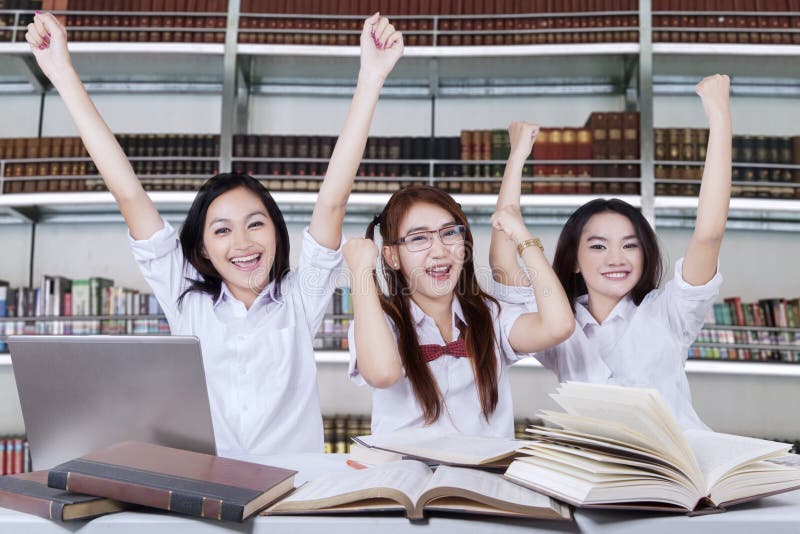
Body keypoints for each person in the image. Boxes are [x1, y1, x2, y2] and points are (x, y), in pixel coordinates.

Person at [26, 11, 404, 454]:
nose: (242, 243)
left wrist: (371, 77)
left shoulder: (302, 295)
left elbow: (332, 201)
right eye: (222, 230)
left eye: (256, 224)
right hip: (208, 496)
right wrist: (61, 72)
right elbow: (127, 193)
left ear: (278, 235)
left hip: (291, 497)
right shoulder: (185, 298)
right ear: (202, 250)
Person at [490, 75, 732, 430]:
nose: (616, 258)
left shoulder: (670, 313)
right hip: (597, 475)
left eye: (630, 245)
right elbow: (502, 262)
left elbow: (708, 235)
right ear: (573, 258)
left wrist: (720, 117)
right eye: (599, 246)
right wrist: (517, 157)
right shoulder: (559, 323)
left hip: (675, 474)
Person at [342, 184, 574, 437]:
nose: (440, 251)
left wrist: (523, 239)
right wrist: (360, 272)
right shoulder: (381, 323)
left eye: (450, 233)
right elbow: (383, 374)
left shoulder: (490, 316)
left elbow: (558, 326)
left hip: (482, 474)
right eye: (419, 238)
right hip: (405, 471)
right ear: (392, 256)